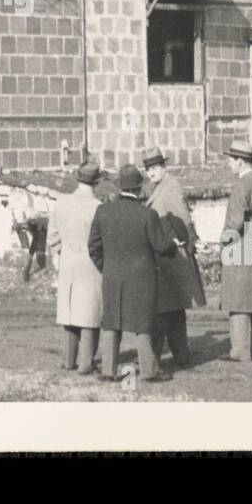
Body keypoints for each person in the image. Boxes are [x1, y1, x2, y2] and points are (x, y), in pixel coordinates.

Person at [88, 164, 175, 383]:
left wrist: (106, 268)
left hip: (112, 277)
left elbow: (93, 247)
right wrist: (173, 244)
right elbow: (162, 247)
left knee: (111, 322)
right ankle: (148, 371)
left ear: (120, 187)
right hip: (142, 279)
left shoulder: (103, 211)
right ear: (139, 188)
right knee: (142, 323)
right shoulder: (148, 215)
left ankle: (108, 370)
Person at [143, 147, 205, 368]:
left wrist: (187, 243)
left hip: (171, 257)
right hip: (168, 256)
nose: (151, 173)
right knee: (174, 309)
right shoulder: (161, 187)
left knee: (163, 309)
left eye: (154, 168)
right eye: (148, 169)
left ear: (163, 167)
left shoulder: (170, 187)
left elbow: (183, 219)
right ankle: (181, 355)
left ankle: (154, 357)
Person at [47, 159, 105, 375]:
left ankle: (68, 360)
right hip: (91, 263)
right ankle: (86, 363)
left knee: (70, 310)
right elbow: (102, 240)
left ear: (78, 179)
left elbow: (52, 235)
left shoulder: (61, 203)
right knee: (90, 312)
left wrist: (61, 251)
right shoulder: (98, 207)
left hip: (68, 259)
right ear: (96, 182)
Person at [220, 140, 252, 362]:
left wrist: (222, 241)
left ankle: (240, 351)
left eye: (231, 160)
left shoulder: (241, 186)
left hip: (240, 252)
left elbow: (235, 223)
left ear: (240, 162)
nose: (229, 164)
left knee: (238, 302)